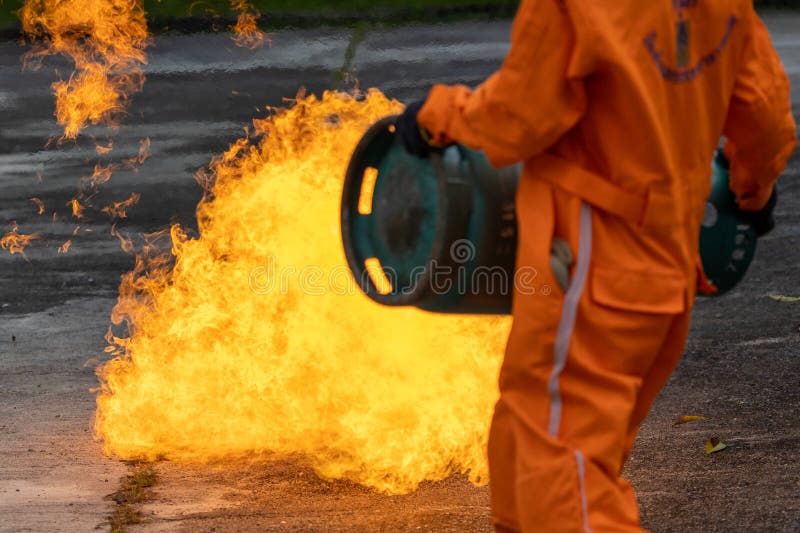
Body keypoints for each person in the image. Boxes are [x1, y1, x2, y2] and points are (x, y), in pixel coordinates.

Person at [395, 0, 797, 531]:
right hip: (666, 271)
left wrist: (437, 116)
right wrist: (750, 194)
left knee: (567, 468)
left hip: (592, 265)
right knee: (529, 436)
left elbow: (519, 118)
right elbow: (765, 122)